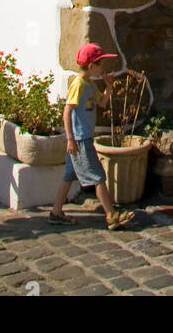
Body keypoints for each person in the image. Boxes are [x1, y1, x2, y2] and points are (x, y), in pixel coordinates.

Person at [49, 44, 135, 230]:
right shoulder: (78, 85)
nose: (102, 67)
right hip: (80, 140)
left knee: (69, 176)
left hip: (83, 138)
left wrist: (109, 87)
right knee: (98, 177)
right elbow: (67, 111)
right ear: (90, 65)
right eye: (100, 64)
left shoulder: (90, 84)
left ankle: (56, 212)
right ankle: (111, 215)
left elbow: (102, 103)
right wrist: (70, 139)